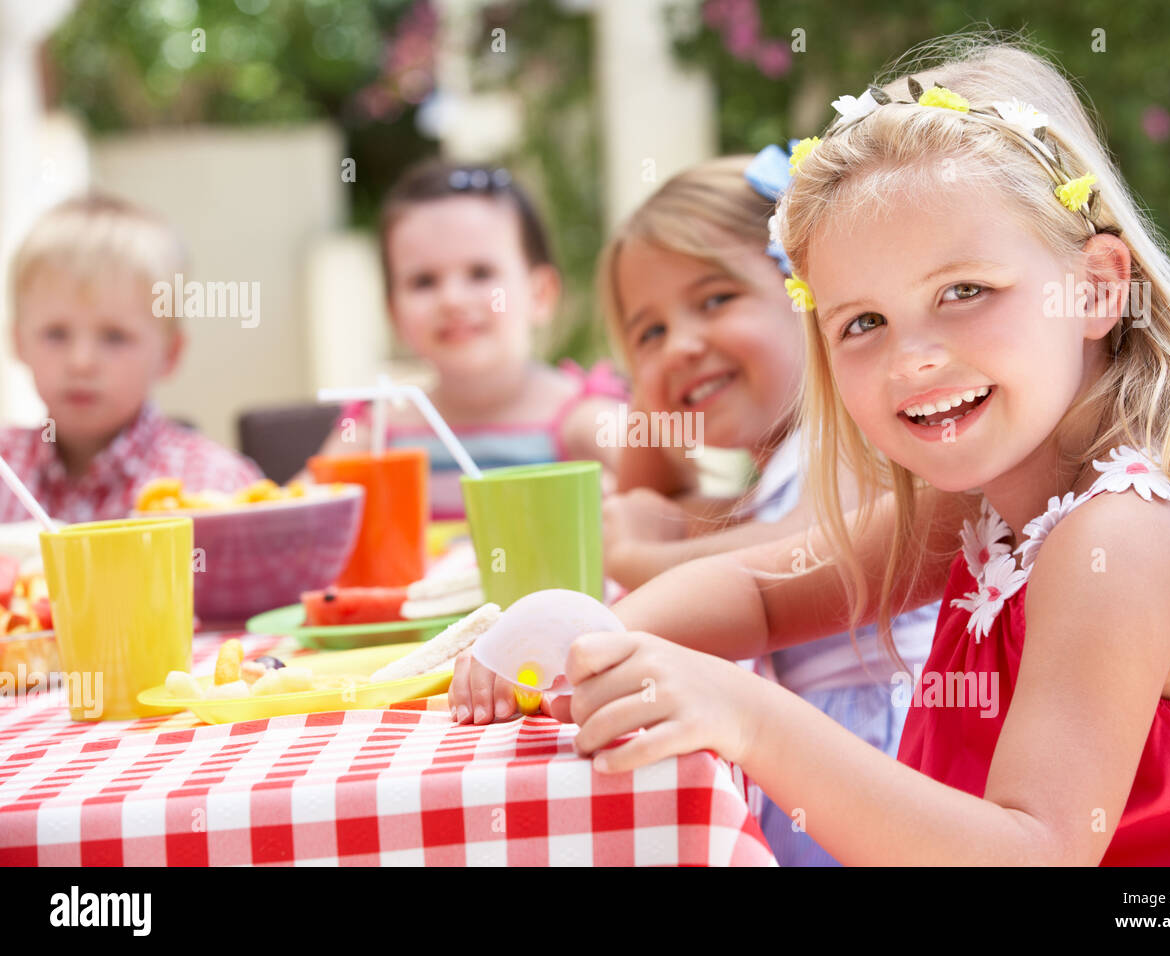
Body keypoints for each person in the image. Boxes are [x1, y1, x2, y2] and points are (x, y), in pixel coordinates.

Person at [459, 36, 1170, 864]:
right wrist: (587, 644)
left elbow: (1032, 851)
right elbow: (760, 593)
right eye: (863, 322)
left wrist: (747, 717)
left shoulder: (1124, 538)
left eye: (964, 291)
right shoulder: (994, 494)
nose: (913, 358)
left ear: (1096, 285)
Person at [592, 155, 939, 864]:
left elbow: (797, 548)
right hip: (820, 772)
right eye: (648, 331)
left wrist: (635, 556)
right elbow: (652, 498)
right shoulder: (770, 470)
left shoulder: (849, 433)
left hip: (885, 779)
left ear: (811, 297)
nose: (683, 342)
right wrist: (657, 391)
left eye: (714, 300)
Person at [312, 162, 625, 519]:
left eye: (480, 273)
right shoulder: (379, 430)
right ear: (393, 313)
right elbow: (302, 509)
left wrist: (624, 500)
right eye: (424, 282)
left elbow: (672, 495)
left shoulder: (582, 419)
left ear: (540, 294)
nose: (452, 300)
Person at [0, 196, 262, 524]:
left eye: (114, 337)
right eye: (56, 334)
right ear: (18, 342)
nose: (81, 362)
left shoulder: (218, 487)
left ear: (171, 354)